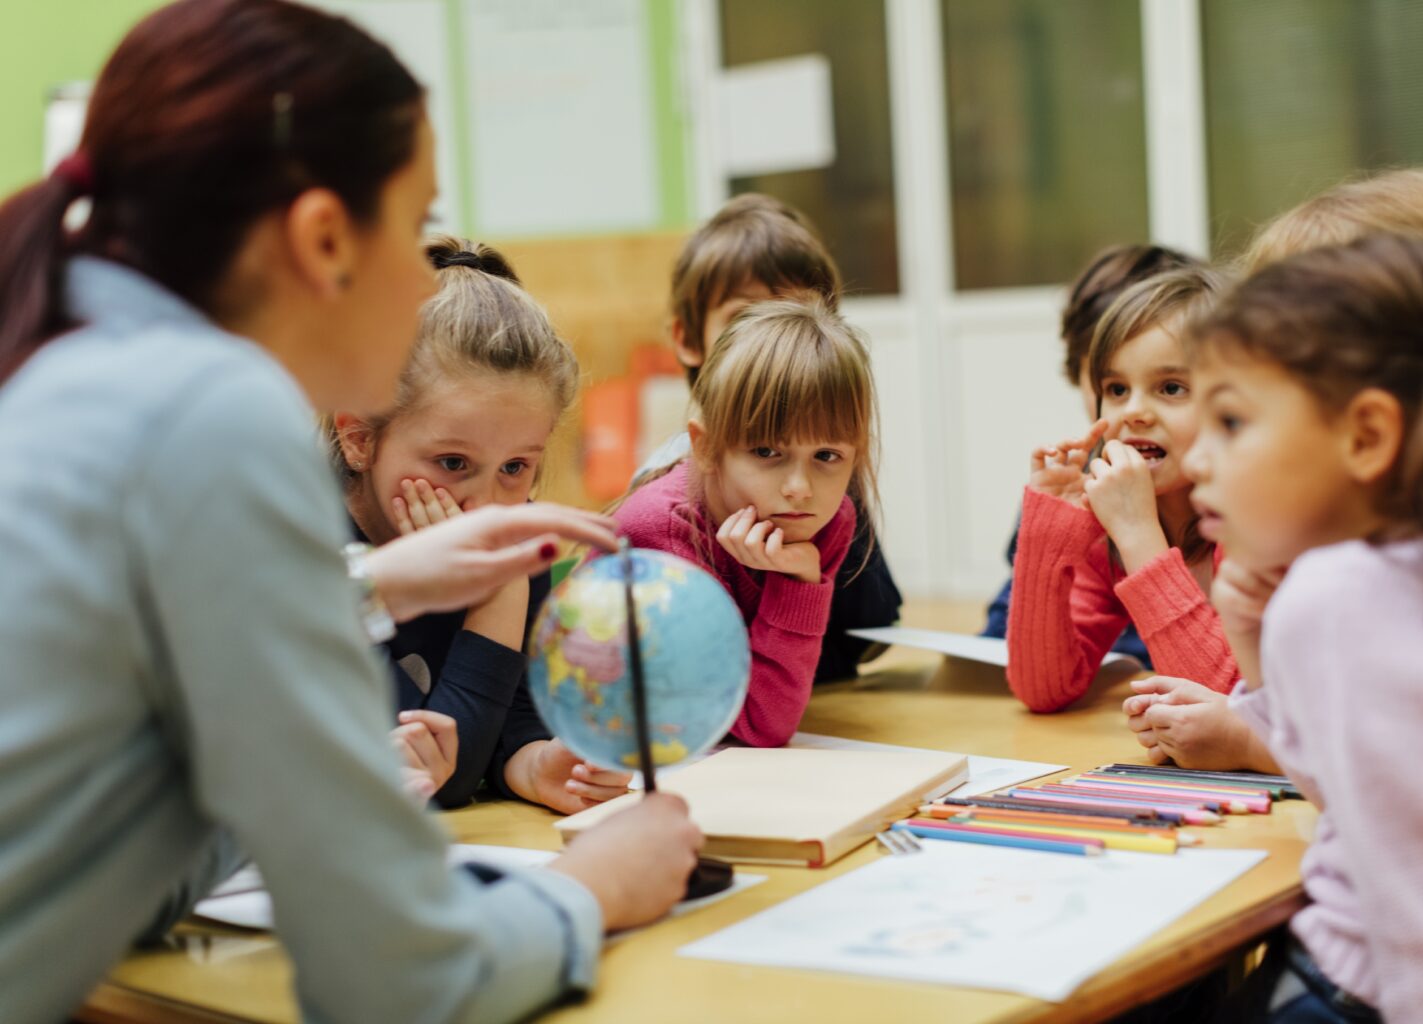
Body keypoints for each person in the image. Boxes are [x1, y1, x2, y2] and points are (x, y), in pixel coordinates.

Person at [0, 3, 699, 1021]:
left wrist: (374, 585)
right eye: (415, 230)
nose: (428, 278)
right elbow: (399, 980)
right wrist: (593, 887)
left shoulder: (78, 370)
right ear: (325, 237)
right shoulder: (216, 415)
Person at [1187, 232, 1423, 1023]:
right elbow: (1354, 795)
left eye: (1233, 422)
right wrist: (1253, 638)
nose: (1198, 460)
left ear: (1367, 436)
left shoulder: (1341, 596)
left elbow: (1421, 904)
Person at [1127, 166, 1423, 772]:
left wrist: (1247, 734)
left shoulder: (1380, 579)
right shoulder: (1409, 541)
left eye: (1239, 417)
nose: (1206, 456)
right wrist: (1257, 672)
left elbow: (1418, 831)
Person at [329, 236, 631, 811]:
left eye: (516, 467)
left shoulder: (515, 528)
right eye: (452, 464)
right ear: (359, 437)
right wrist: (500, 591)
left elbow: (506, 725)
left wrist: (534, 764)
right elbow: (435, 776)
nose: (487, 507)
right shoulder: (304, 549)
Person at [637, 193, 901, 681]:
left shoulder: (821, 468)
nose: (773, 336)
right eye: (745, 316)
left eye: (792, 314)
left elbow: (871, 624)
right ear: (687, 339)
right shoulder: (663, 496)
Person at [616, 298, 877, 746]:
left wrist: (800, 573)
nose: (800, 487)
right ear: (706, 446)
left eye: (827, 456)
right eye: (766, 452)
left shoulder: (827, 523)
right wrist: (799, 586)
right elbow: (760, 724)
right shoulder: (664, 533)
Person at [1006, 266, 1238, 712]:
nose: (1134, 412)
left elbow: (1228, 705)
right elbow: (1043, 689)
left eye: (1170, 388)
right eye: (1115, 388)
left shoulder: (1259, 520)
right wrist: (1046, 536)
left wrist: (1138, 532)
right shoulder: (1109, 522)